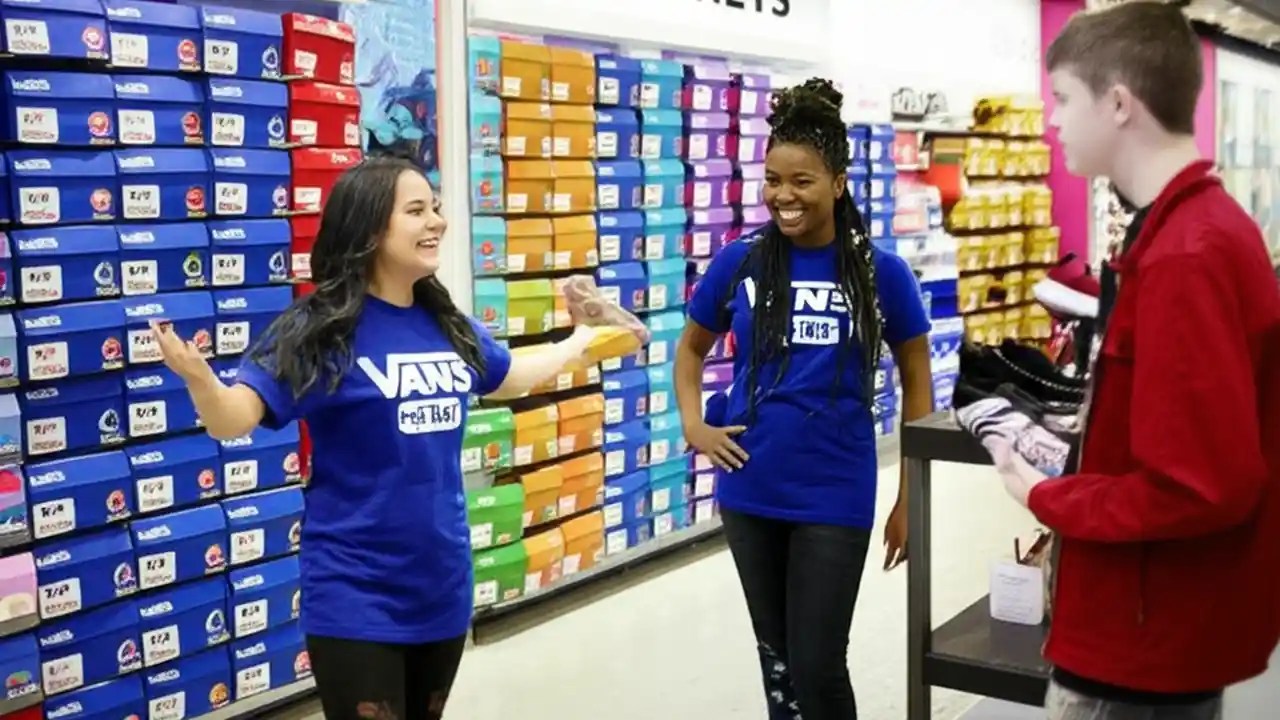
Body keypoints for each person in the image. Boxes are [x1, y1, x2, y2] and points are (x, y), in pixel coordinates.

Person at [150, 156, 615, 720]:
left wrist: (581, 341)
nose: (437, 221)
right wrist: (201, 382)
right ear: (370, 229)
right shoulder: (319, 330)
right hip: (355, 591)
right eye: (416, 211)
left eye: (435, 208)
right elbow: (234, 418)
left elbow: (509, 375)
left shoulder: (446, 322)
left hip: (442, 583)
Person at [989, 4, 1280, 719]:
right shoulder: (1189, 234)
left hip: (1137, 649)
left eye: (1063, 98)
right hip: (1149, 630)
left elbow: (1202, 487)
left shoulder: (1188, 254)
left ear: (1118, 103)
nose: (1052, 119)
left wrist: (1044, 493)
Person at [673, 78, 935, 719]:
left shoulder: (880, 273)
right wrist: (694, 426)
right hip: (750, 489)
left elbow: (917, 379)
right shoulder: (740, 262)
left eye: (801, 181)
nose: (783, 196)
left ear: (838, 183)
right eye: (772, 180)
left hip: (835, 493)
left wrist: (912, 496)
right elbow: (690, 350)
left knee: (818, 666)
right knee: (779, 664)